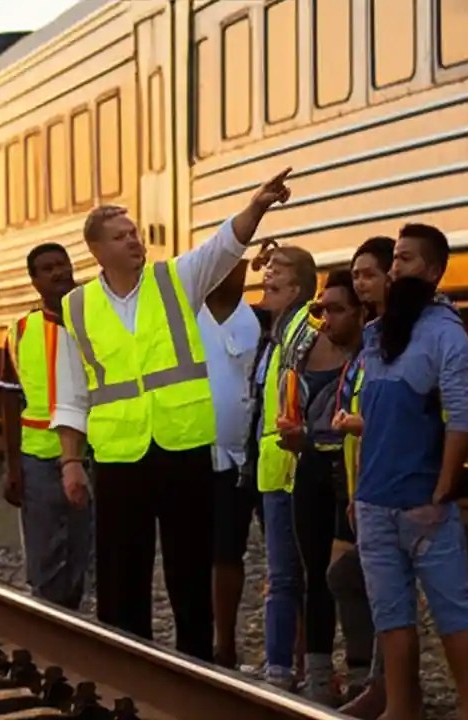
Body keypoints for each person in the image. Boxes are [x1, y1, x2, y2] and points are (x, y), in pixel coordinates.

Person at [51, 169, 293, 661]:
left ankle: (195, 667)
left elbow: (223, 247)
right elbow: (72, 394)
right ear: (97, 250)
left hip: (182, 447)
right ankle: (130, 669)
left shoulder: (175, 280)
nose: (134, 242)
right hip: (121, 454)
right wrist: (70, 462)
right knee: (122, 574)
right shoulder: (77, 307)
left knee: (189, 570)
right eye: (121, 237)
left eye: (135, 233)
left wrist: (257, 206)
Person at [342, 223, 468, 720]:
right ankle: (401, 711)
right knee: (392, 616)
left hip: (422, 504)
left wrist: (442, 491)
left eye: (404, 259)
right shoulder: (378, 334)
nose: (394, 268)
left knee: (454, 611)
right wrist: (359, 488)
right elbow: (379, 419)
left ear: (430, 270)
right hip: (376, 501)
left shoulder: (446, 335)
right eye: (395, 259)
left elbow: (460, 419)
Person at [275, 269, 364, 706]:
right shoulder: (304, 346)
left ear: (361, 311)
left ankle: (363, 674)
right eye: (322, 309)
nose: (327, 318)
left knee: (345, 576)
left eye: (338, 309)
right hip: (308, 468)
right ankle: (318, 677)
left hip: (349, 472)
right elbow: (285, 397)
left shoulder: (371, 353)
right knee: (314, 576)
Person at [0, 243, 92, 610]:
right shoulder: (20, 332)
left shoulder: (94, 320)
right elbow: (8, 399)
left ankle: (73, 614)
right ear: (34, 281)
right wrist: (12, 467)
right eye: (47, 268)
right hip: (37, 459)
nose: (58, 272)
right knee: (45, 552)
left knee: (83, 547)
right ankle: (50, 618)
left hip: (89, 455)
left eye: (62, 264)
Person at [242, 244, 317, 689]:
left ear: (300, 287)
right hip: (272, 468)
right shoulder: (276, 331)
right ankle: (287, 664)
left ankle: (283, 669)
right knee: (284, 573)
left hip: (289, 467)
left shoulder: (303, 327)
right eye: (266, 274)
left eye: (278, 276)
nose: (267, 280)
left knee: (287, 574)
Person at [330, 236, 396, 719]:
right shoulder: (372, 340)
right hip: (367, 484)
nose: (360, 282)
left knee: (382, 588)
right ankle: (375, 681)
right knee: (355, 578)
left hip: (393, 482)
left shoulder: (400, 338)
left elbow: (403, 415)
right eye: (355, 274)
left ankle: (383, 686)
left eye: (367, 274)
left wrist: (359, 425)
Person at [201, 259, 263, 669]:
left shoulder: (260, 322)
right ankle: (196, 640)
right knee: (193, 553)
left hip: (245, 457)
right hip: (193, 453)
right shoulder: (187, 317)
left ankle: (225, 644)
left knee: (229, 552)